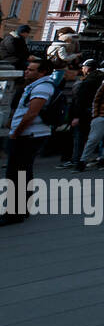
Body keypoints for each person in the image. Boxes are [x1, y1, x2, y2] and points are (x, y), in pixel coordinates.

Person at [3, 57, 57, 226]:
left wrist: (16, 132)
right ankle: (22, 208)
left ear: (43, 72)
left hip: (28, 136)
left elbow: (32, 114)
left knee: (16, 173)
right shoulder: (37, 86)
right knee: (23, 172)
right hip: (29, 135)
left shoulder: (42, 87)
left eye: (32, 70)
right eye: (28, 68)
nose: (27, 71)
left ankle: (14, 213)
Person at [66, 60, 104, 168]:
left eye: (83, 67)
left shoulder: (86, 82)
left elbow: (80, 100)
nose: (82, 69)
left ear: (87, 68)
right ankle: (87, 158)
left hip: (84, 112)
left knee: (79, 136)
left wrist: (76, 116)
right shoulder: (103, 80)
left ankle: (77, 159)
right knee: (93, 137)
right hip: (99, 111)